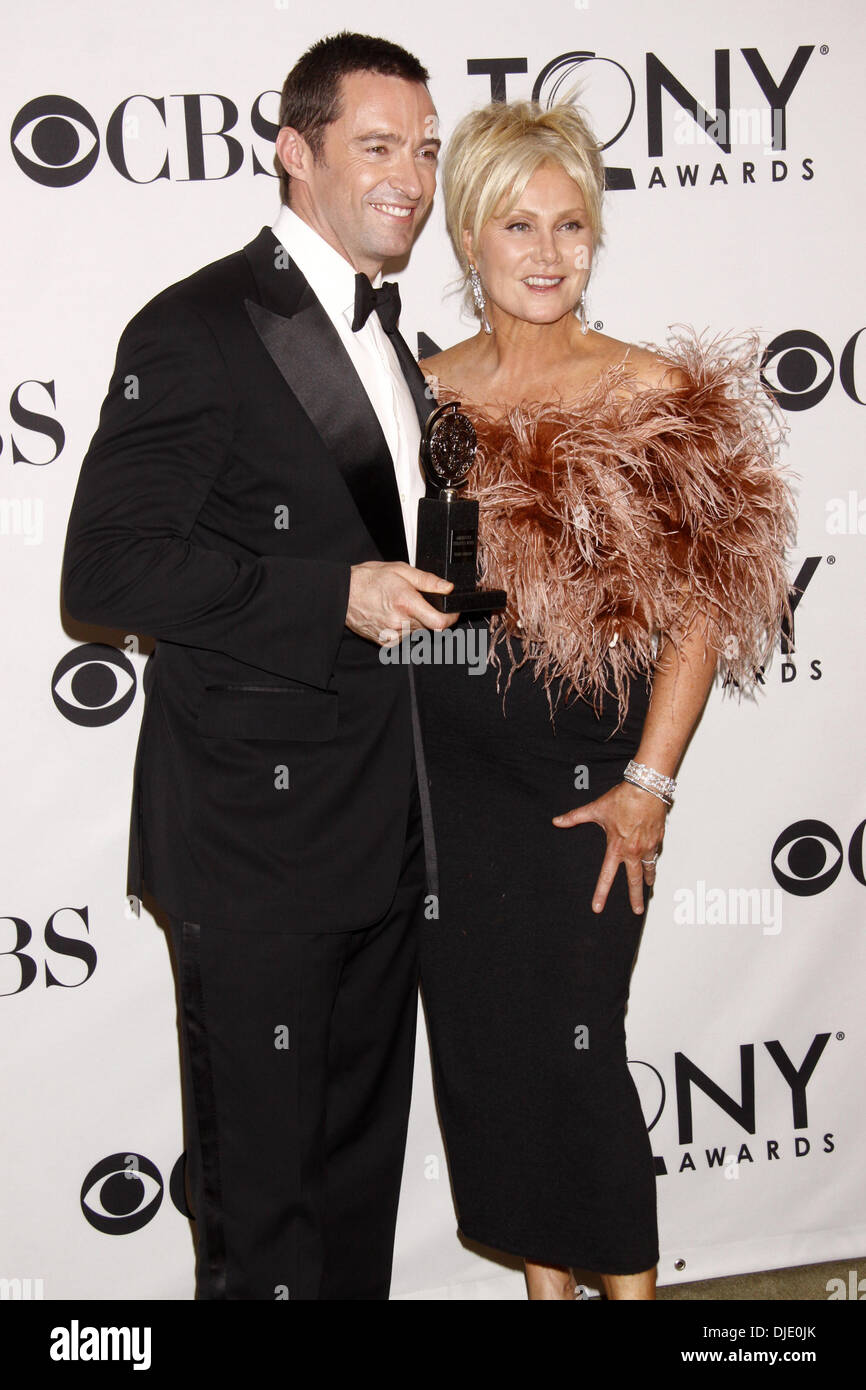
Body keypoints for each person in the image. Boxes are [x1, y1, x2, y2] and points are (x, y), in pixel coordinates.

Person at [61, 32, 454, 1300]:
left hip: (384, 827)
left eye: (426, 151)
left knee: (353, 1182)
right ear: (294, 152)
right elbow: (106, 576)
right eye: (377, 146)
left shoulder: (396, 339)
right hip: (255, 839)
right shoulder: (197, 326)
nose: (410, 177)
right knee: (266, 1209)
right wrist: (324, 595)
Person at [415, 100, 796, 1301]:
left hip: (582, 780)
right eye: (516, 224)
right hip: (439, 785)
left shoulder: (646, 390)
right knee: (489, 1060)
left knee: (573, 1057)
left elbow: (702, 607)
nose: (544, 251)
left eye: (570, 224)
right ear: (467, 234)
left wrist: (647, 782)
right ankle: (545, 1290)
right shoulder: (415, 391)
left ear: (595, 238)